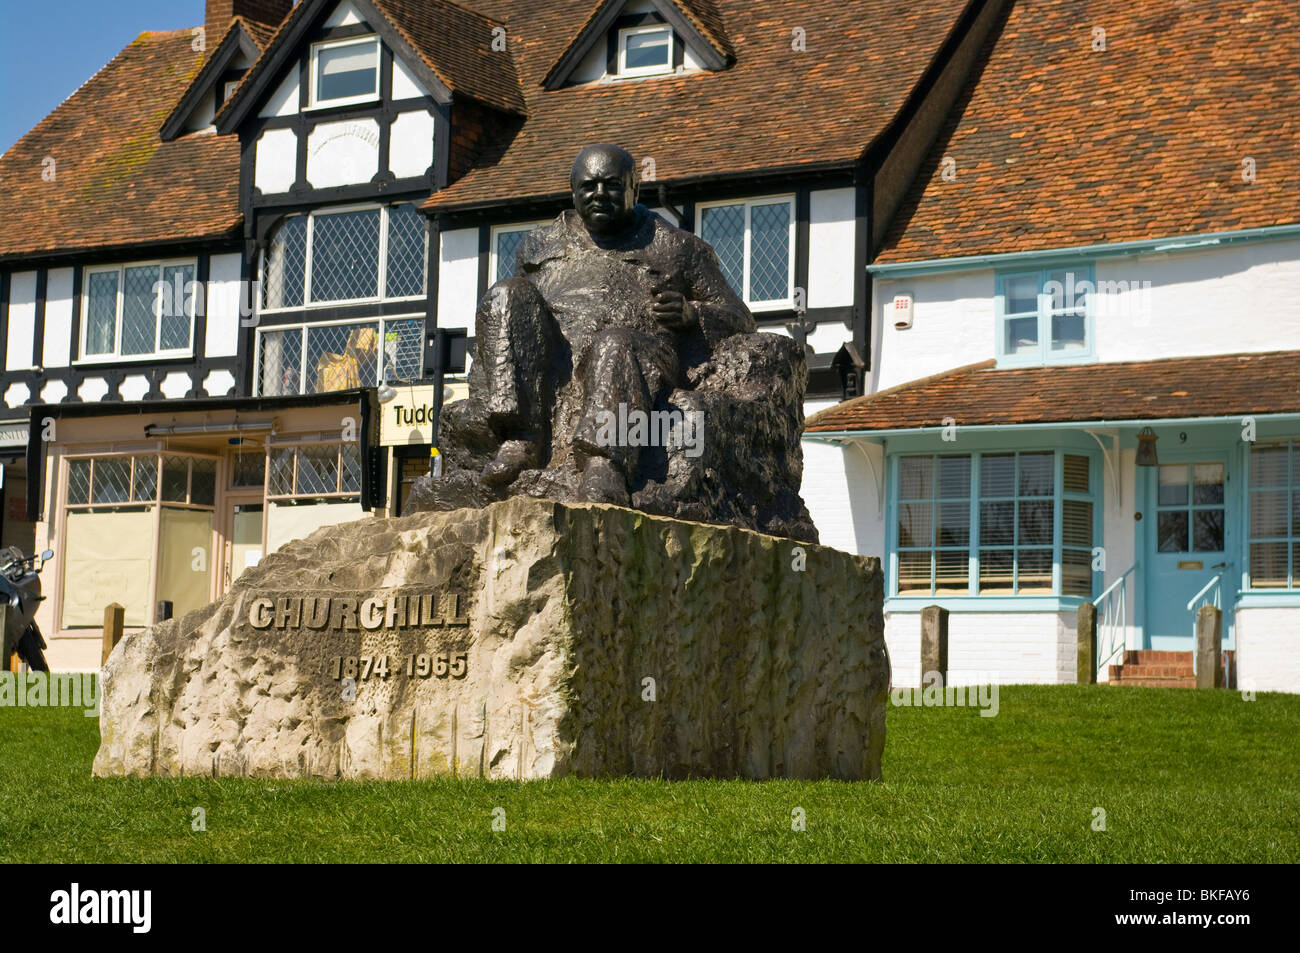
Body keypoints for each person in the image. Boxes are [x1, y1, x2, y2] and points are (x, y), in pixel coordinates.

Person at [469, 143, 755, 503]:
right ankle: (521, 439)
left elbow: (739, 317)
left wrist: (692, 314)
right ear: (573, 193)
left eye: (612, 184)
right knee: (506, 293)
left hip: (637, 354)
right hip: (558, 355)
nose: (599, 194)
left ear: (635, 189)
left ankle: (605, 465)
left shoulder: (679, 248)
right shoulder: (538, 246)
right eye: (589, 186)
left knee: (615, 343)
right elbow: (517, 326)